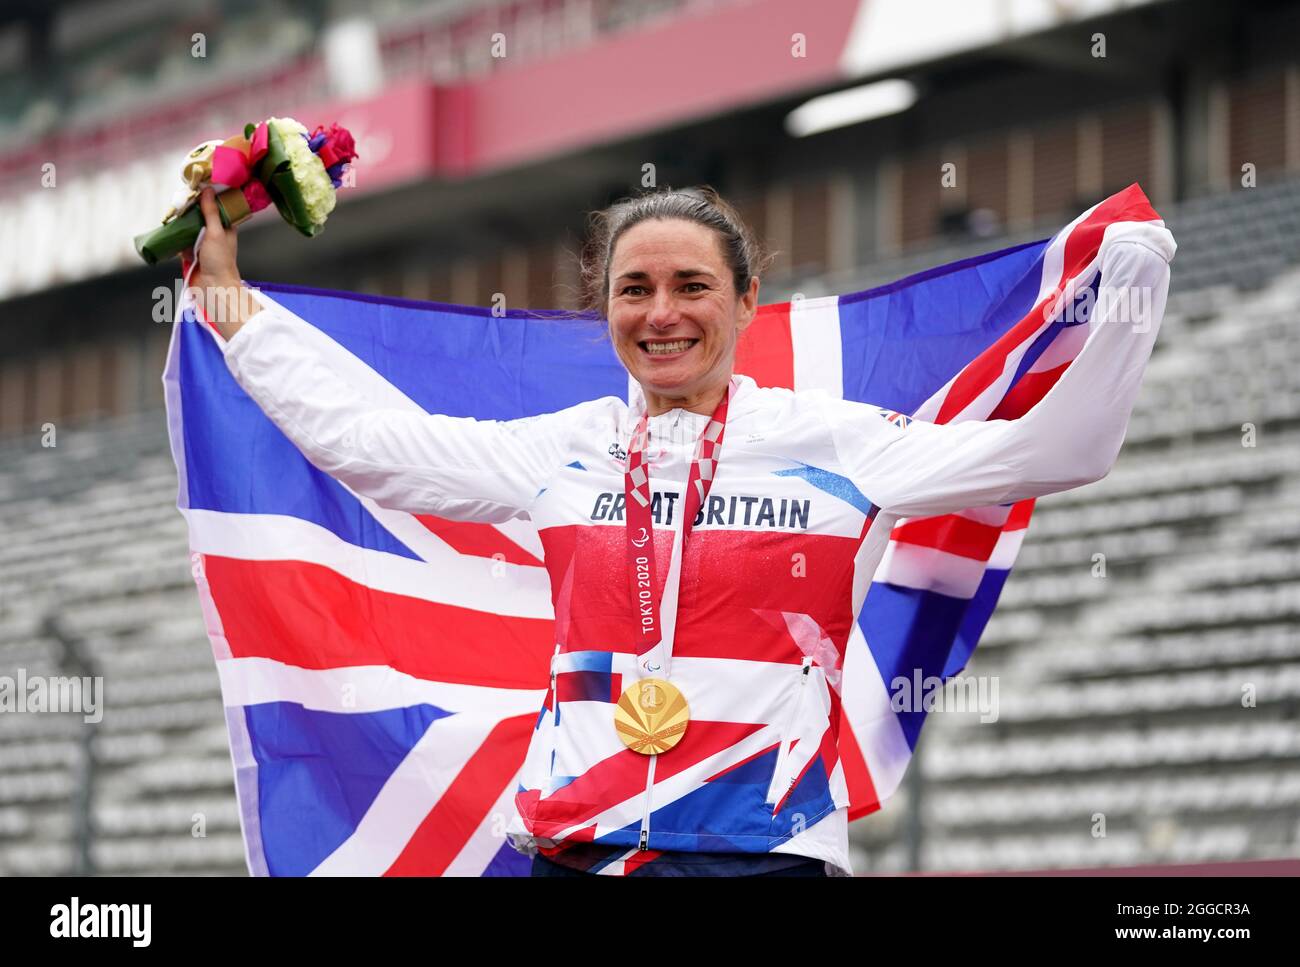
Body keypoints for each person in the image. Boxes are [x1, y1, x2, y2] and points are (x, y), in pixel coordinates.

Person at [185, 183, 1176, 877]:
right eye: (635, 289)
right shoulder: (564, 448)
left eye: (692, 286)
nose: (662, 313)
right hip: (580, 847)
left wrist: (1134, 282)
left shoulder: (839, 442)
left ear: (746, 302)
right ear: (606, 308)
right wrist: (227, 297)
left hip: (766, 851)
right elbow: (358, 440)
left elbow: (1067, 447)